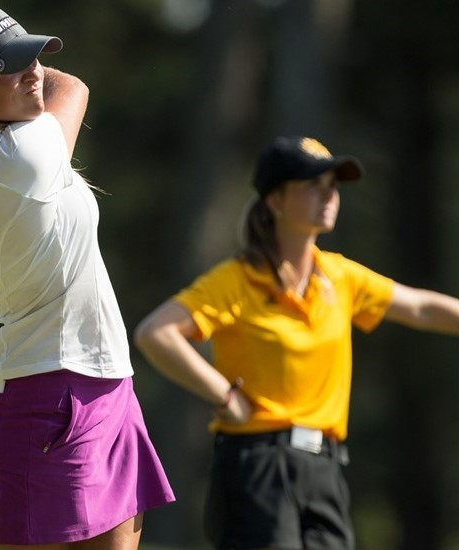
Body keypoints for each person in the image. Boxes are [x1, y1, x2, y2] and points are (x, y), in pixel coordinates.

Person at [0, 4, 175, 549]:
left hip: (104, 382)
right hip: (46, 399)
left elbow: (29, 83)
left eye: (31, 56)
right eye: (7, 67)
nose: (33, 72)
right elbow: (74, 86)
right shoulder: (22, 154)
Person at [133, 136, 459, 550]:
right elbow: (156, 333)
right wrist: (225, 395)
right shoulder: (237, 280)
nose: (328, 195)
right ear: (275, 201)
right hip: (257, 465)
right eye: (312, 185)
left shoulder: (340, 277)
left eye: (332, 186)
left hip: (324, 468)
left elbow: (421, 308)